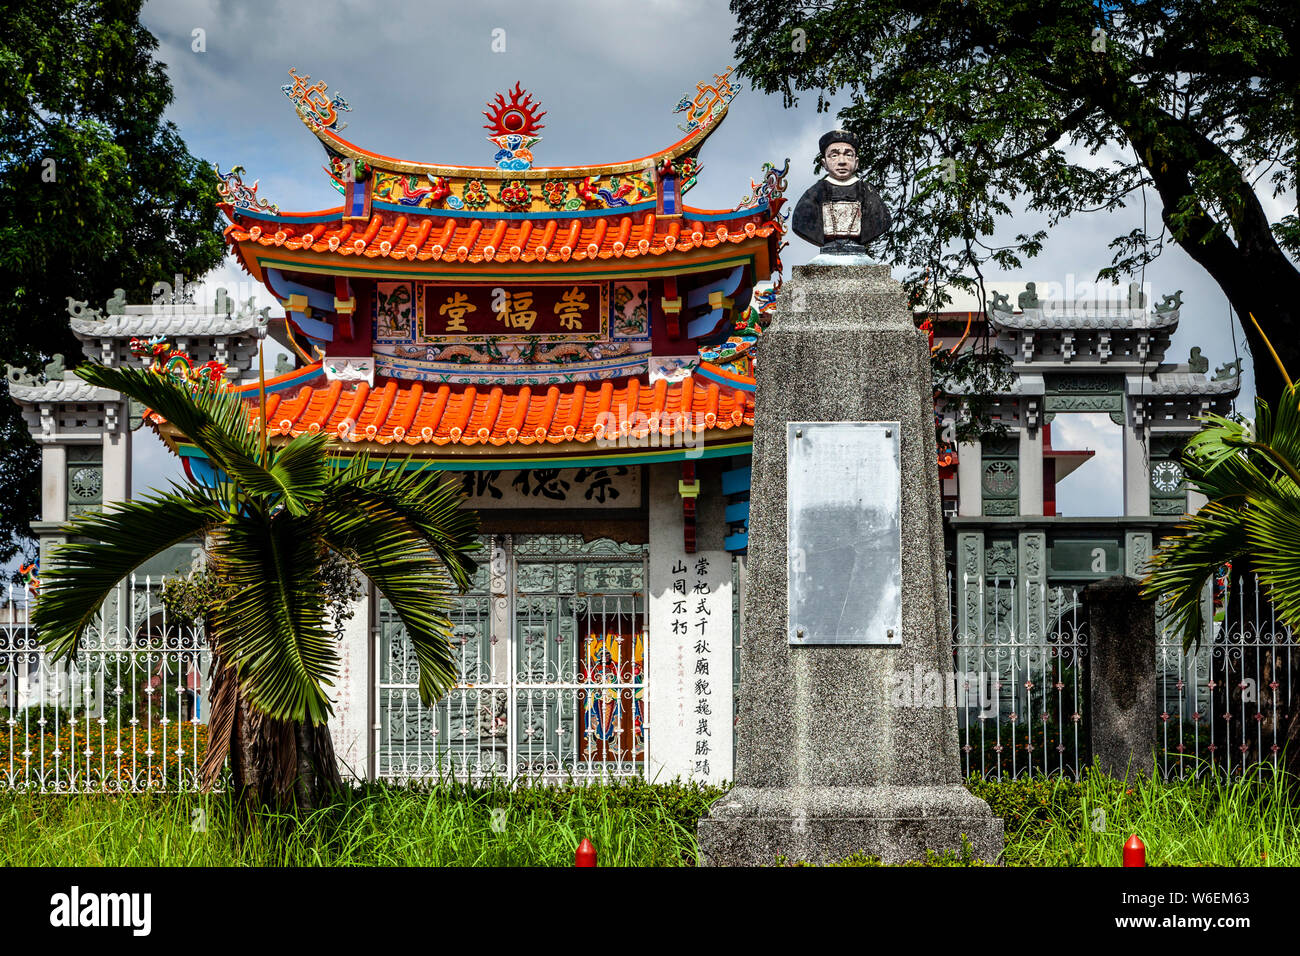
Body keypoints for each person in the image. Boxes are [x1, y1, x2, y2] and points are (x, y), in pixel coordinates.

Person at [791, 130, 891, 255]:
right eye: (834, 155)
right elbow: (801, 223)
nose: (842, 161)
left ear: (856, 162)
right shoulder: (814, 194)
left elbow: (881, 220)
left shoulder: (867, 192)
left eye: (848, 155)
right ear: (824, 163)